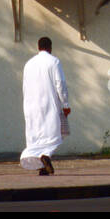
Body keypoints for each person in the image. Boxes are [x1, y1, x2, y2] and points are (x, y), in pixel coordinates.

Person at [20, 36, 71, 176]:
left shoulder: (29, 64)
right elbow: (60, 84)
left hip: (31, 106)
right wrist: (65, 103)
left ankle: (42, 166)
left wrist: (26, 104)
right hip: (49, 105)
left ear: (38, 47)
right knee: (53, 135)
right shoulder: (54, 62)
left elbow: (24, 87)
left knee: (35, 136)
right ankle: (46, 156)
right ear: (50, 48)